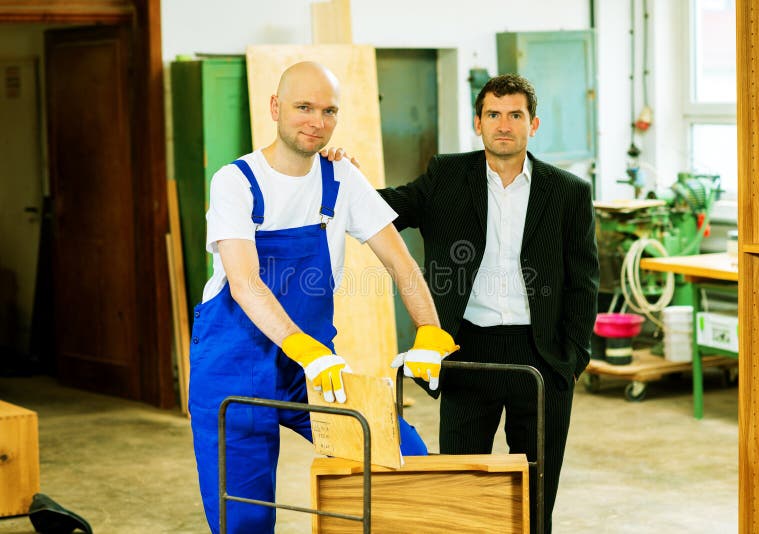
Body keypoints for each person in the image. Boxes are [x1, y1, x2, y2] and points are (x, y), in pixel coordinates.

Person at [188, 61, 458, 534]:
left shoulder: (342, 179)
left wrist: (431, 330)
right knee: (244, 518)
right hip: (233, 365)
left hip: (311, 367)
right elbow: (245, 282)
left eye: (329, 110)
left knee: (402, 453)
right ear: (275, 107)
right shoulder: (235, 182)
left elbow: (402, 263)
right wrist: (306, 351)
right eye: (303, 107)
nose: (317, 121)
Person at [379, 73, 599, 532]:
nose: (504, 125)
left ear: (533, 124)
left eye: (515, 115)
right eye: (493, 114)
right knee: (461, 492)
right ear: (477, 122)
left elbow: (584, 281)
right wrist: (337, 177)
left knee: (536, 498)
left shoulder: (568, 191)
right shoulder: (447, 175)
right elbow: (387, 210)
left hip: (541, 358)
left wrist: (572, 359)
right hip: (467, 352)